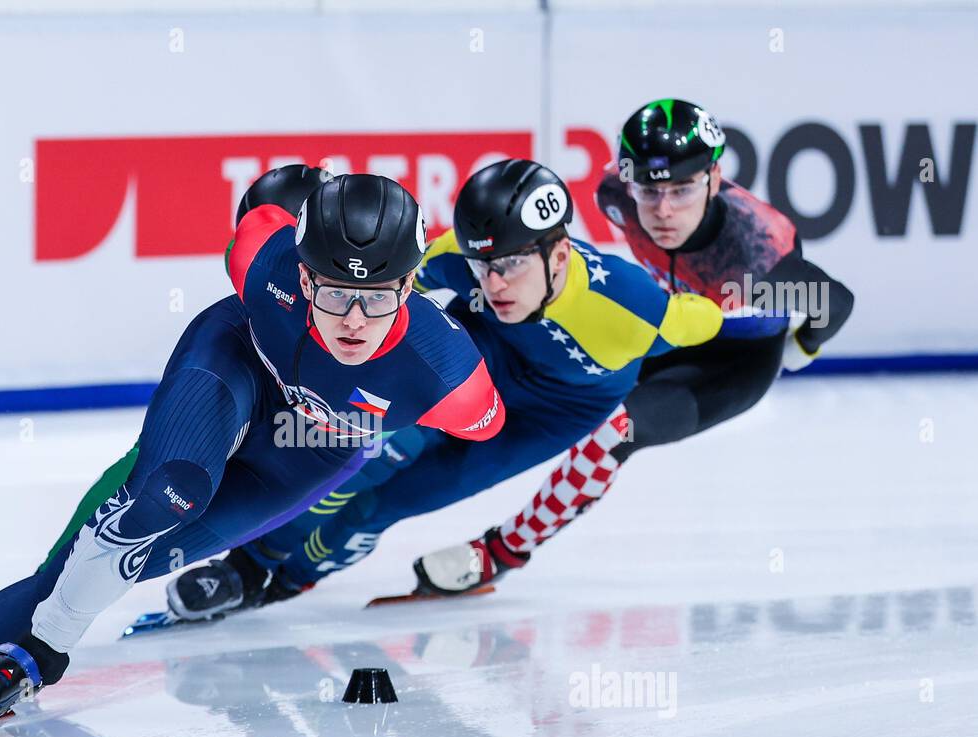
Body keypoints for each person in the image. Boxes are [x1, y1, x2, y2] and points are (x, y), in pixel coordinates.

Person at [0, 171, 503, 725]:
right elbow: (266, 213)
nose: (353, 321)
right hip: (232, 367)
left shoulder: (453, 381)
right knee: (164, 494)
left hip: (308, 453)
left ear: (412, 285)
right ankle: (17, 653)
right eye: (331, 292)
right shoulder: (263, 255)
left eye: (378, 297)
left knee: (125, 563)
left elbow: (484, 436)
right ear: (302, 273)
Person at [166, 158, 733, 618]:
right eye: (483, 266)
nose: (495, 281)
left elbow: (711, 319)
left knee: (385, 506)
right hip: (480, 360)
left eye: (511, 266)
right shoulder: (458, 259)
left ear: (559, 255)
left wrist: (770, 307)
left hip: (552, 414)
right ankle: (247, 565)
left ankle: (292, 577)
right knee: (372, 458)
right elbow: (377, 282)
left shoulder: (631, 308)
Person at [413, 99, 856, 594]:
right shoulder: (613, 195)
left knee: (614, 434)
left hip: (735, 361)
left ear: (714, 177)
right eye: (649, 190)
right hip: (668, 331)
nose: (663, 210)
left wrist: (801, 349)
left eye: (683, 190)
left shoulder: (759, 257)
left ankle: (500, 552)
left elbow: (837, 303)